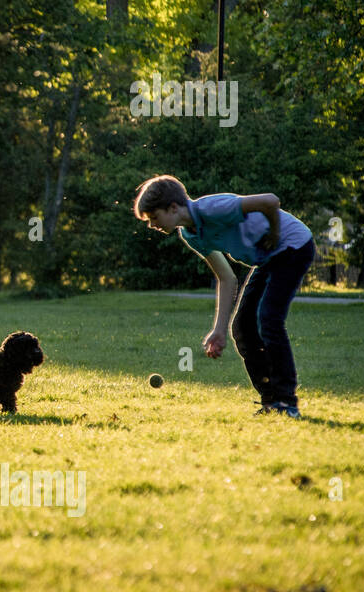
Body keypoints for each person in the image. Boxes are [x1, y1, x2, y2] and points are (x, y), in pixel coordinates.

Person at [134, 174, 314, 418]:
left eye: (154, 217)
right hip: (268, 259)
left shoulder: (213, 209)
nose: (152, 224)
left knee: (268, 318)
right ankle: (271, 400)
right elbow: (227, 278)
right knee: (241, 327)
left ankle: (287, 401)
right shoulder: (191, 235)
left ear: (173, 207)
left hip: (294, 246)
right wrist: (218, 330)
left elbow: (271, 201)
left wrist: (274, 231)